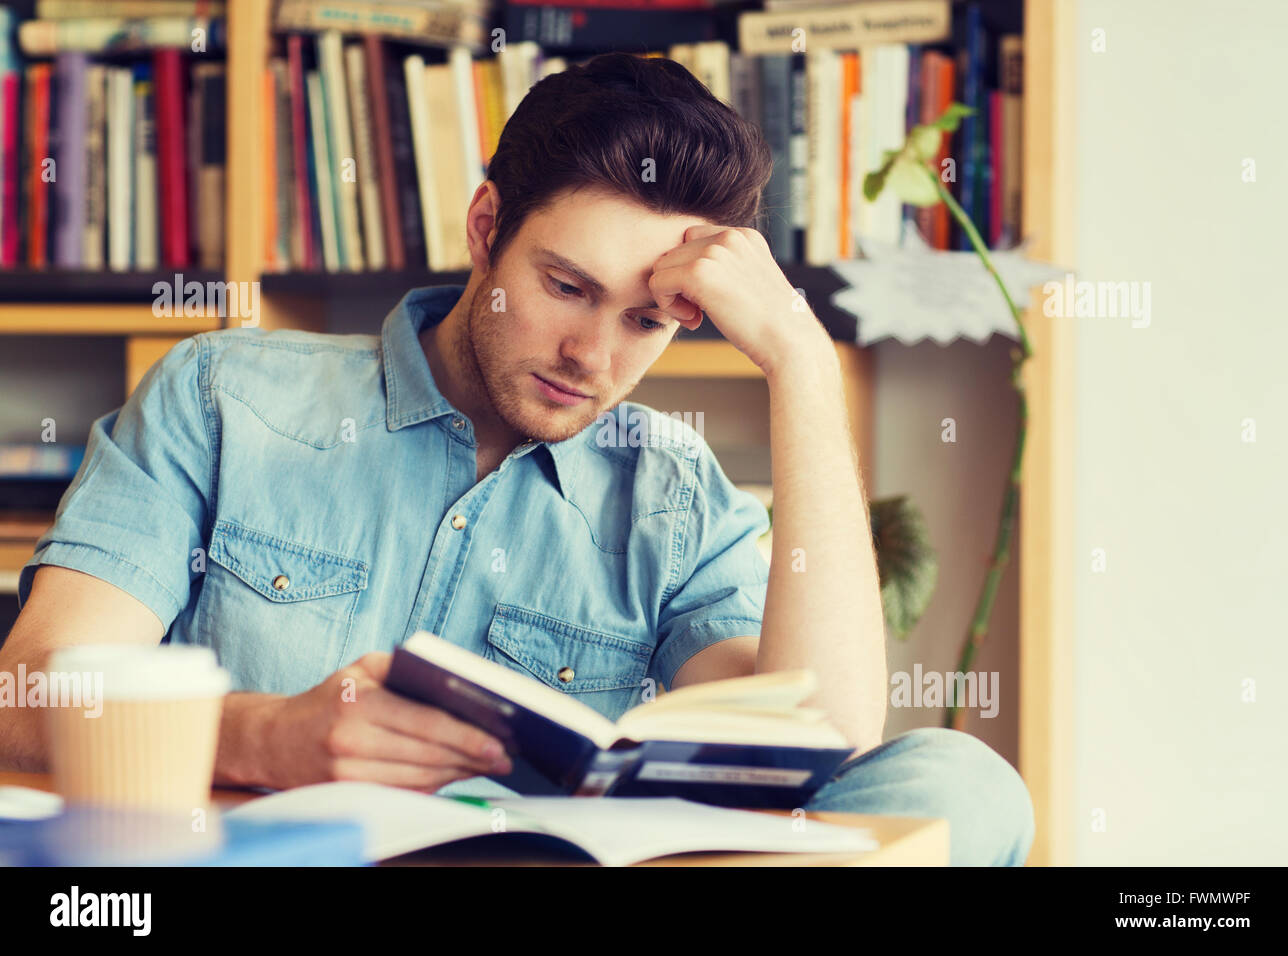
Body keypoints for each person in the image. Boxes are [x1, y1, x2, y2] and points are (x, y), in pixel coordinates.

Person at [0, 53, 1032, 865]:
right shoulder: (225, 395)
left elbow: (825, 737)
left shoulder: (675, 503)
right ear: (486, 227)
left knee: (959, 781)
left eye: (646, 318)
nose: (594, 356)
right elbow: (28, 690)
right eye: (566, 286)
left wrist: (800, 361)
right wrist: (262, 737)